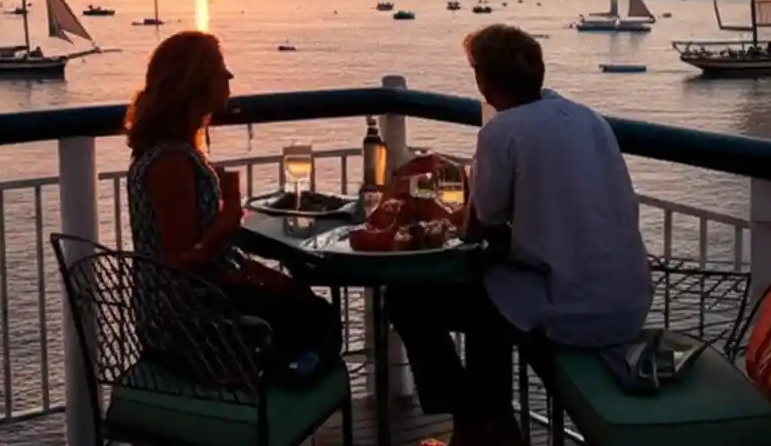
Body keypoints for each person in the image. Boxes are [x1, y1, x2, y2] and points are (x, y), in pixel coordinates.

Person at [388, 24, 654, 446]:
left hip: (572, 310)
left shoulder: (502, 130)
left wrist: (434, 198)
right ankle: (487, 425)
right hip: (629, 298)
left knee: (407, 298)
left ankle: (476, 420)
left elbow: (482, 225)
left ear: (485, 78)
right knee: (491, 296)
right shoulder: (589, 119)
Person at [124, 31, 340, 381]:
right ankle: (269, 403)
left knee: (305, 303)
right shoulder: (170, 161)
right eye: (220, 69)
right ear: (195, 81)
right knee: (317, 318)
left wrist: (254, 271)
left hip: (203, 298)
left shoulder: (176, 151)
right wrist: (229, 216)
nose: (229, 76)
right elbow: (178, 260)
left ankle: (278, 391)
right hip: (189, 321)